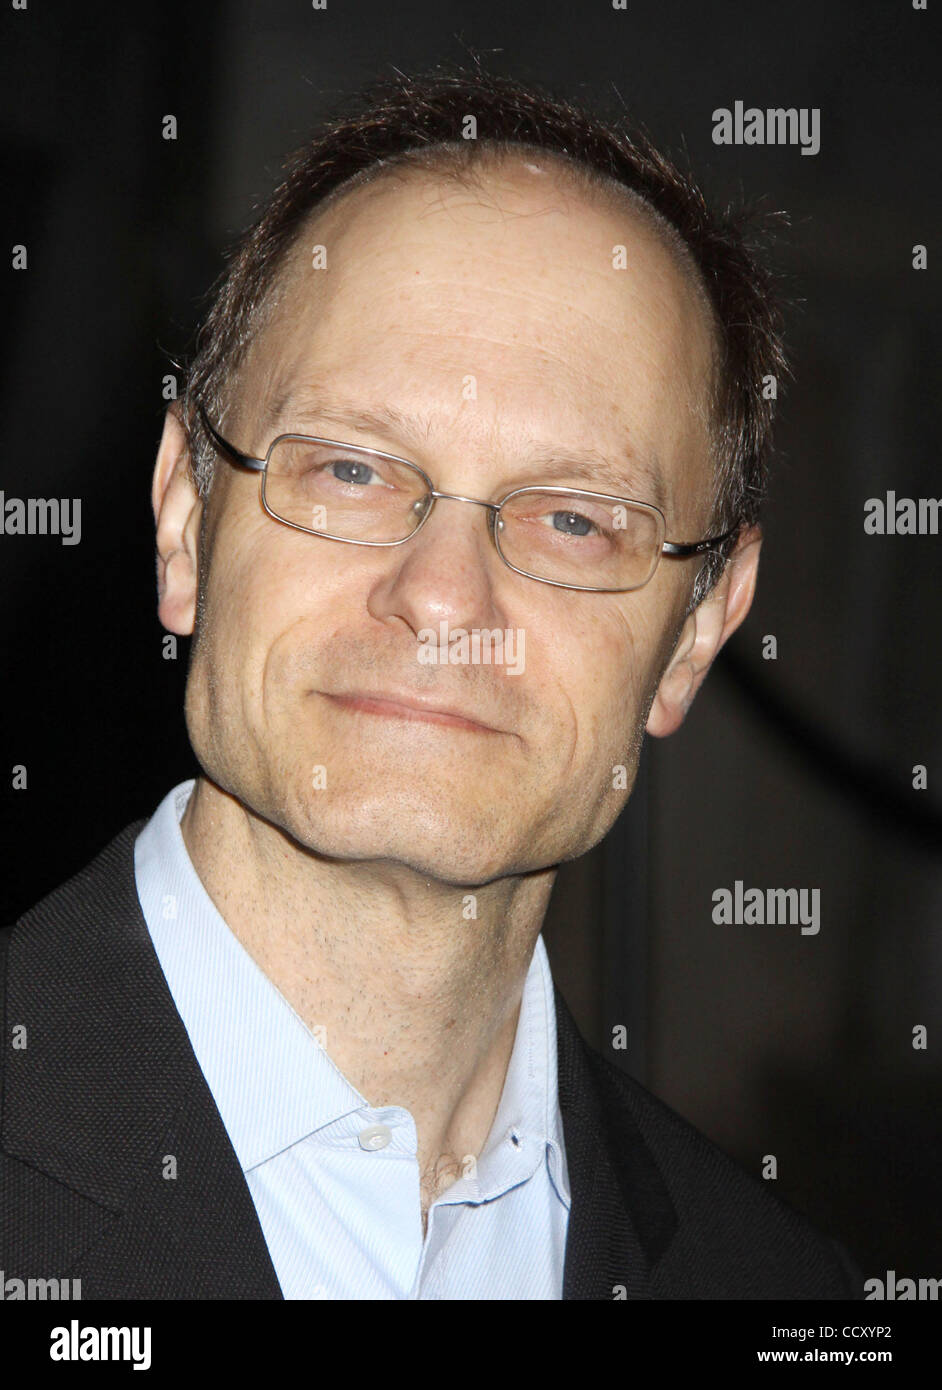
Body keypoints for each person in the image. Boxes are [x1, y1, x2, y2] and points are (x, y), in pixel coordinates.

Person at [0, 67, 862, 1300]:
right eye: (352, 469)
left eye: (574, 519)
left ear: (697, 630)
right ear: (186, 519)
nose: (445, 597)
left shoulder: (785, 1294)